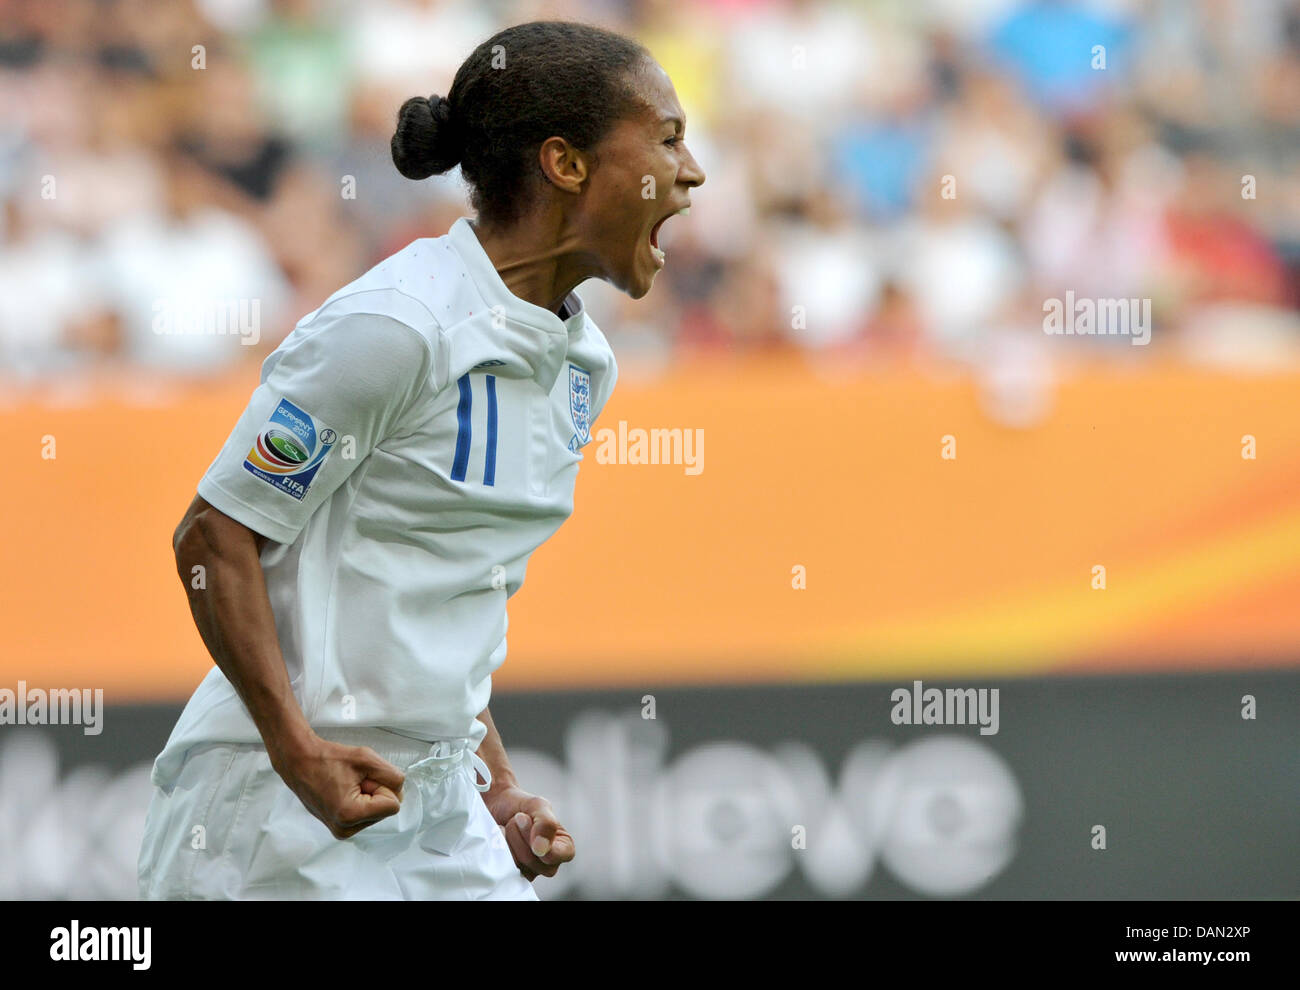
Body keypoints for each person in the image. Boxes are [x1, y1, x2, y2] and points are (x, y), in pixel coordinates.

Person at [138, 19, 705, 900]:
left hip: (441, 803)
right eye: (668, 140)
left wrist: (500, 783)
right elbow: (213, 539)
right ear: (566, 164)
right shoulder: (396, 329)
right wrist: (298, 751)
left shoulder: (586, 366)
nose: (692, 171)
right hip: (275, 804)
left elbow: (440, 592)